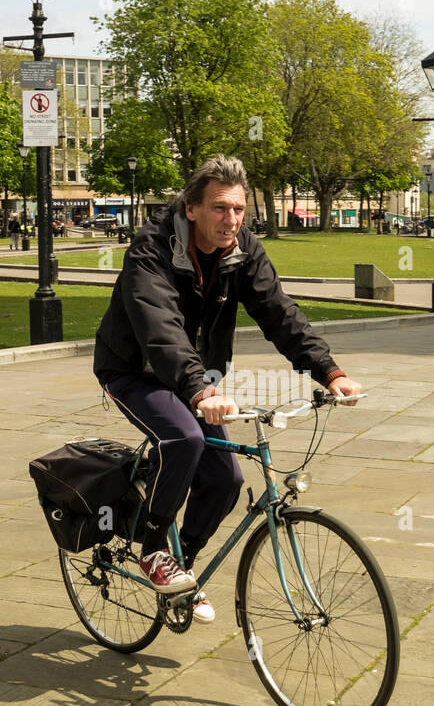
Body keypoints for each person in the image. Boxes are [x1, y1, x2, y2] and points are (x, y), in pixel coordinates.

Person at [93, 154, 362, 624]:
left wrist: (330, 372)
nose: (231, 220)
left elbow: (279, 313)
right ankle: (155, 550)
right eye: (220, 208)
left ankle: (183, 570)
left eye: (238, 209)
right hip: (136, 371)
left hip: (199, 381)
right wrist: (200, 390)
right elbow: (161, 329)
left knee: (226, 481)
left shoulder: (243, 250)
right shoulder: (150, 248)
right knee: (185, 438)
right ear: (191, 208)